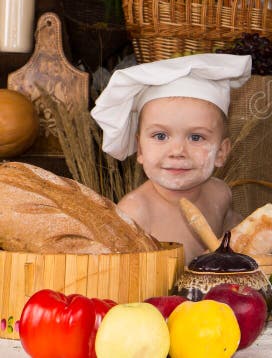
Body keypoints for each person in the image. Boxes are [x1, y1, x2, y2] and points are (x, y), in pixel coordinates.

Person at [91, 53, 251, 261]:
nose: (177, 151)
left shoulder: (219, 195)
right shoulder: (136, 211)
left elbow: (240, 244)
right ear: (140, 149)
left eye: (195, 137)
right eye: (160, 136)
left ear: (221, 152)